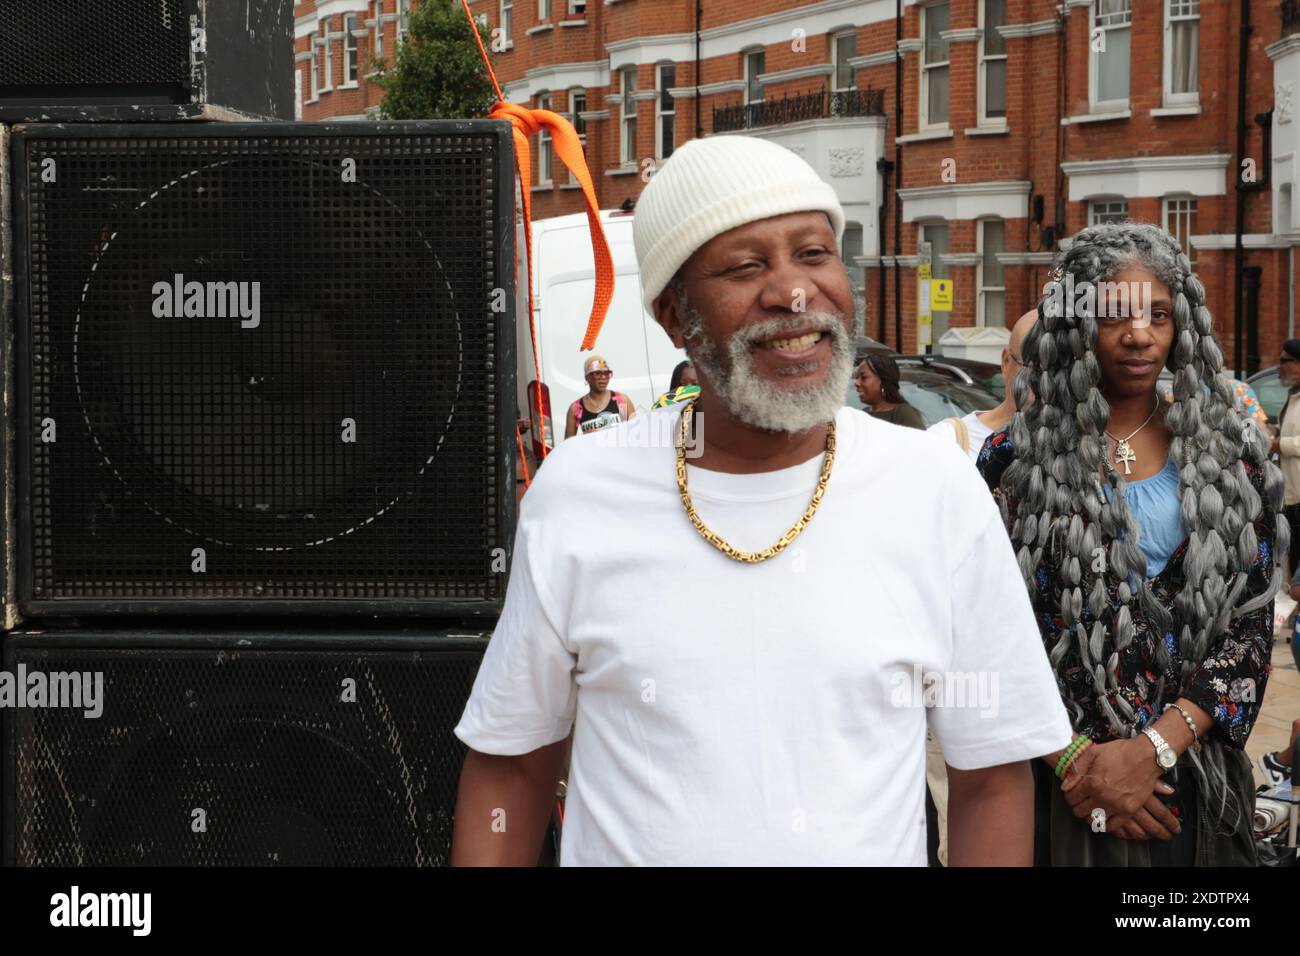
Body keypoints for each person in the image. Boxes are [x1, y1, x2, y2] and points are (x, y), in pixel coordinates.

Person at [450, 133, 1071, 866]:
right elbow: (513, 763)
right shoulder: (580, 492)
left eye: (813, 254)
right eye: (745, 267)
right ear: (674, 315)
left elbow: (992, 774)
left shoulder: (934, 488)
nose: (794, 292)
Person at [979, 222, 1287, 866]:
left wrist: (1152, 749)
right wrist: (1076, 761)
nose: (1140, 333)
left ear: (1182, 328)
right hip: (1062, 789)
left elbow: (1250, 633)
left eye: (1158, 315)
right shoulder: (1011, 464)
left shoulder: (1232, 457)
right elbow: (988, 632)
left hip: (1195, 791)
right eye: (1115, 315)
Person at [930, 309, 1037, 461]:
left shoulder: (1078, 445)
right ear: (1006, 362)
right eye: (1032, 367)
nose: (1045, 381)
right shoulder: (947, 440)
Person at [1272, 338, 1300, 577]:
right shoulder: (1294, 397)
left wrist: (1278, 445)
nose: (1279, 367)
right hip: (1291, 496)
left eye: (1284, 361)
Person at [564, 355, 635, 438]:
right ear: (587, 377)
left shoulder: (622, 400)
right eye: (597, 374)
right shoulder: (575, 408)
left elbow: (635, 434)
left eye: (607, 373)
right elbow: (569, 444)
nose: (603, 377)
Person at [854, 354, 924, 429]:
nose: (856, 383)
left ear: (884, 381)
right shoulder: (862, 415)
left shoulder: (904, 414)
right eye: (857, 377)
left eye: (864, 377)